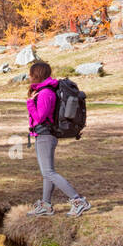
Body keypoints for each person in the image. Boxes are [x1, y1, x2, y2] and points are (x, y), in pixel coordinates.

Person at [25, 60, 91, 216]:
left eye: (31, 74)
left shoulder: (46, 93)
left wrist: (29, 103)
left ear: (36, 75)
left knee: (48, 172)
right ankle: (46, 205)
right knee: (48, 172)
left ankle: (78, 201)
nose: (29, 77)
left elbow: (40, 117)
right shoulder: (44, 91)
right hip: (43, 135)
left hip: (45, 135)